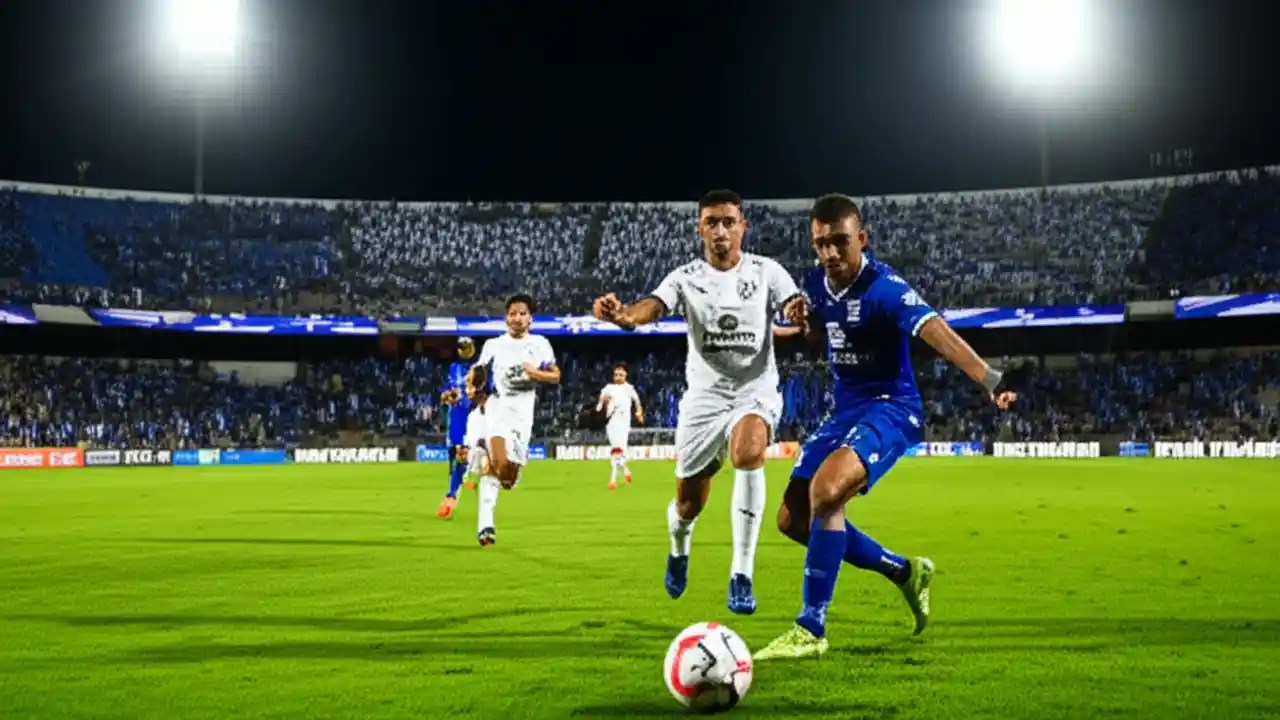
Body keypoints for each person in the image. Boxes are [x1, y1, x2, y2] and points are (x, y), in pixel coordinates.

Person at [756, 194, 1018, 660]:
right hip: (846, 411)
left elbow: (937, 331)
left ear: (862, 238)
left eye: (840, 242)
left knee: (827, 491)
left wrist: (990, 379)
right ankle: (905, 572)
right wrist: (801, 323)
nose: (831, 253)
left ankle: (810, 627)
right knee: (793, 520)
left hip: (892, 408)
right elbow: (821, 331)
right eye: (821, 244)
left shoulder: (885, 288)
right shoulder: (816, 284)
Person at [592, 189, 805, 614]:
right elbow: (649, 309)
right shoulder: (685, 277)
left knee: (748, 452)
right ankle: (679, 546)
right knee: (689, 503)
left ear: (743, 226)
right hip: (704, 399)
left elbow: (792, 303)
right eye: (712, 222)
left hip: (754, 390)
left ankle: (741, 573)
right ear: (700, 228)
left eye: (729, 221)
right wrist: (622, 315)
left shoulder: (767, 271)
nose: (721, 230)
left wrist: (799, 311)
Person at [472, 294, 560, 547]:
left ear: (530, 319)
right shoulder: (494, 344)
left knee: (507, 478)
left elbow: (555, 376)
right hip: (498, 408)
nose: (517, 318)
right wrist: (470, 385)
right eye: (512, 313)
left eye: (522, 313)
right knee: (495, 463)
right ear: (506, 318)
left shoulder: (540, 344)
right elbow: (478, 372)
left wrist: (536, 373)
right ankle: (485, 526)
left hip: (523, 415)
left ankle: (502, 470)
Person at [437, 336, 477, 519]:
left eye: (466, 347)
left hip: (473, 418)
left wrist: (472, 396)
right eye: (461, 348)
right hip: (456, 418)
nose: (463, 351)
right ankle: (460, 480)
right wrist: (448, 396)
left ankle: (451, 496)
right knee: (454, 451)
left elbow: (489, 391)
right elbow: (446, 391)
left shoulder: (479, 368)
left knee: (462, 454)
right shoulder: (454, 368)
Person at [596, 363, 644, 489]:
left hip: (624, 424)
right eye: (616, 375)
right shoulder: (609, 388)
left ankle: (612, 481)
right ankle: (625, 470)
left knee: (617, 451)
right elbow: (601, 401)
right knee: (617, 451)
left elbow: (637, 401)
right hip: (611, 422)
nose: (618, 377)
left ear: (625, 375)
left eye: (621, 374)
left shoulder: (629, 388)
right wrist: (601, 404)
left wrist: (639, 412)